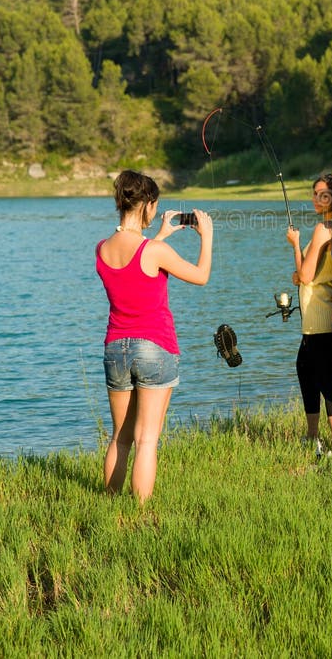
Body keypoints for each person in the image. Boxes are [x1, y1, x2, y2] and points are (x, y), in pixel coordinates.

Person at [95, 169, 213, 502]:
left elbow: (136, 268)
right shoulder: (153, 251)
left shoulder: (101, 249)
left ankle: (110, 503)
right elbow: (201, 276)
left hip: (115, 349)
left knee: (121, 437)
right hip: (155, 347)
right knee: (147, 439)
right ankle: (140, 512)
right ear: (148, 204)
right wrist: (207, 235)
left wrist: (160, 236)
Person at [286, 174, 332, 457]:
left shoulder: (325, 228)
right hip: (314, 318)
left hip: (320, 318)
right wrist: (300, 274)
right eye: (314, 193)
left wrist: (295, 245)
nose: (316, 199)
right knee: (305, 371)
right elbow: (306, 275)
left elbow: (307, 275)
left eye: (323, 194)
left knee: (326, 382)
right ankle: (312, 436)